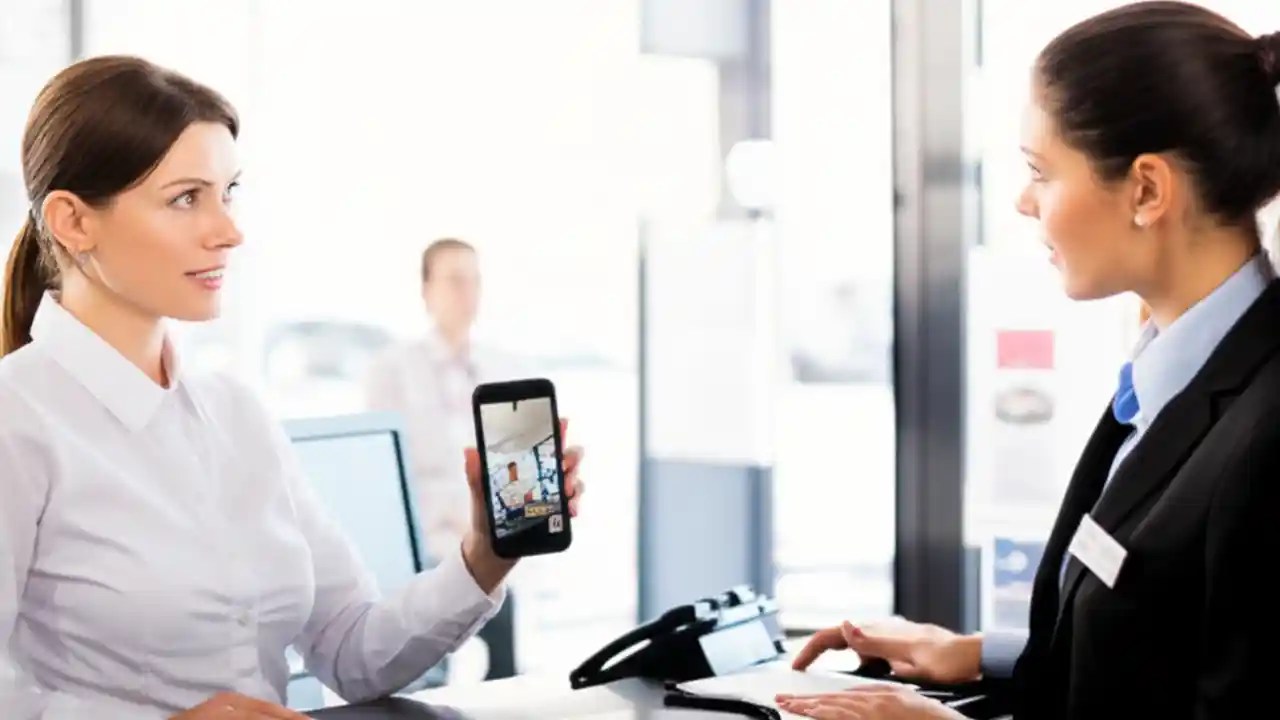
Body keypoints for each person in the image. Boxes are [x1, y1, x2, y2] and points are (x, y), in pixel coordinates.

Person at [0, 56, 585, 719]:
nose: (228, 231)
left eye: (229, 192)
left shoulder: (235, 412)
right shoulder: (18, 418)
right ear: (74, 222)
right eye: (186, 198)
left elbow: (356, 652)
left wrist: (485, 554)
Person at [782, 3, 1280, 719]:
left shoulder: (1265, 431)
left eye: (1040, 172)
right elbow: (1156, 650)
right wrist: (978, 654)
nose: (1022, 202)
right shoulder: (1176, 377)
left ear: (1146, 190)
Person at [365, 238, 516, 562]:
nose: (468, 292)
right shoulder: (392, 369)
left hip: (495, 549)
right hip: (428, 550)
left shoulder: (501, 369)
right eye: (455, 281)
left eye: (475, 280)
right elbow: (383, 473)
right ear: (426, 290)